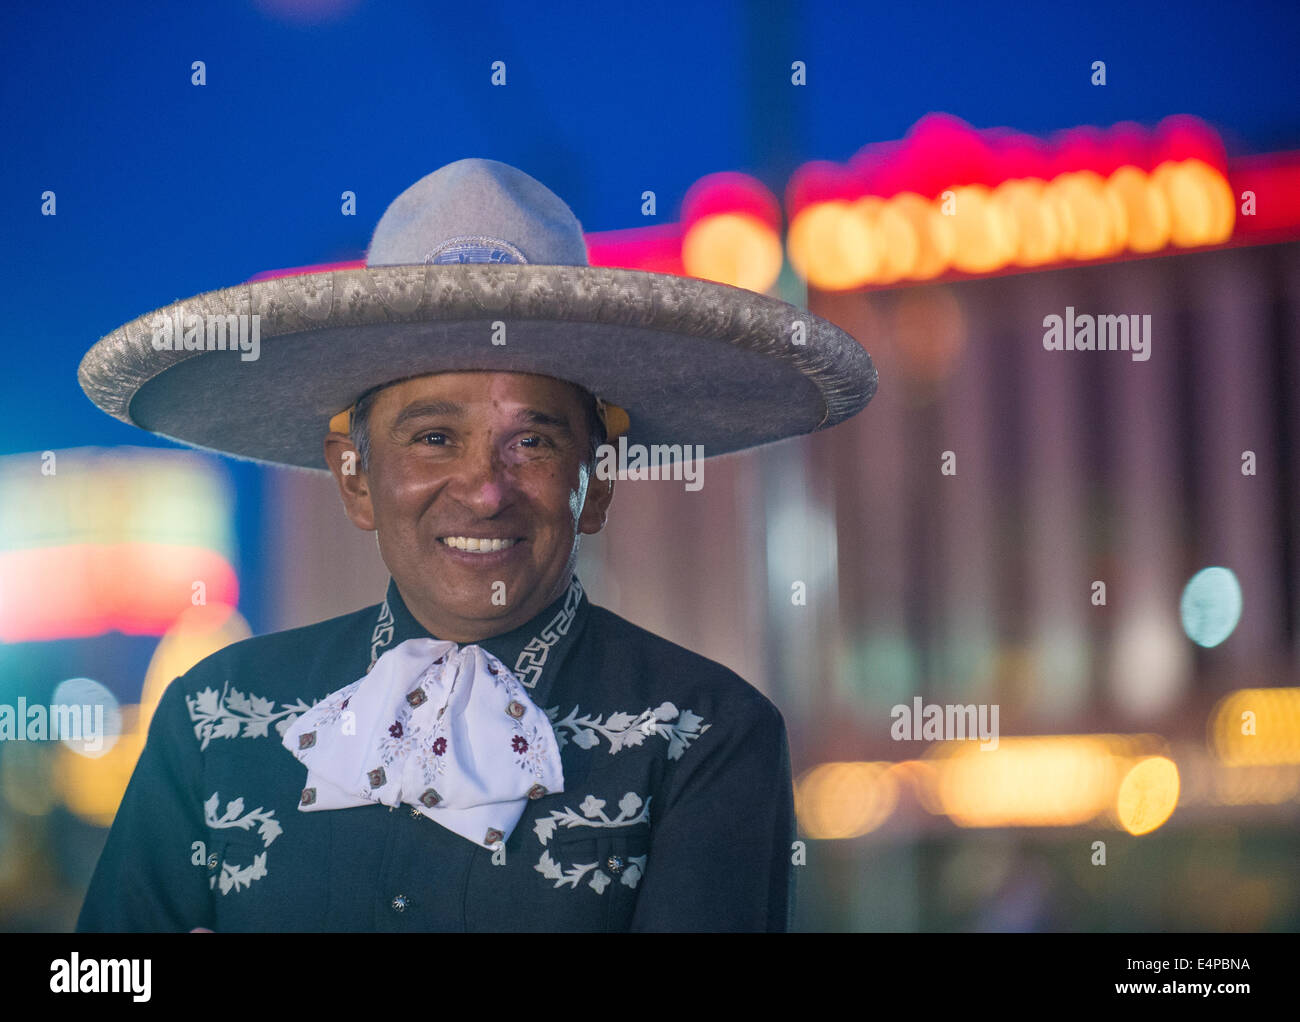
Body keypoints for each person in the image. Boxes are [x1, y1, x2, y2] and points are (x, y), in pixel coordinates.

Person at [74, 158, 877, 932]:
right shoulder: (214, 716)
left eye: (531, 444)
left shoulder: (704, 733)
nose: (485, 490)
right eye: (432, 437)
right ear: (355, 478)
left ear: (595, 483)